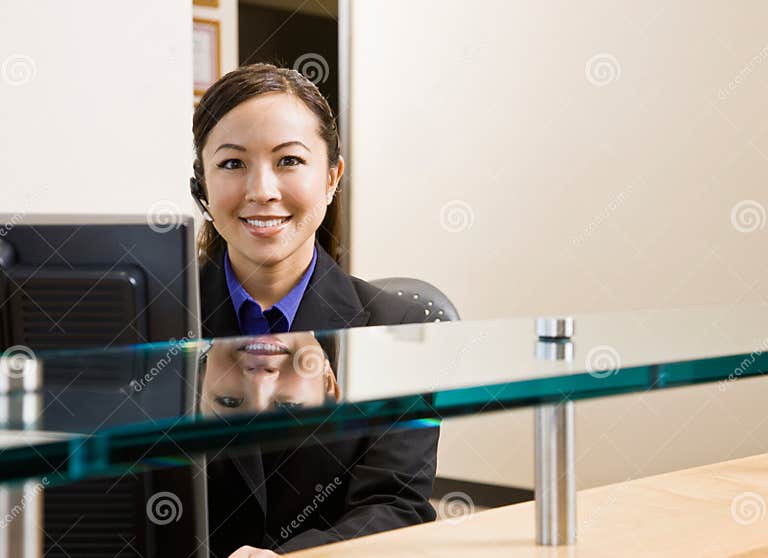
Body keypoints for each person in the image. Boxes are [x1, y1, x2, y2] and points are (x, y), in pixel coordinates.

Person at [192, 63, 439, 557]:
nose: (261, 190)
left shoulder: (397, 327)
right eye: (232, 164)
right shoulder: (151, 321)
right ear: (201, 184)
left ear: (331, 178)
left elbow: (396, 504)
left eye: (288, 161)